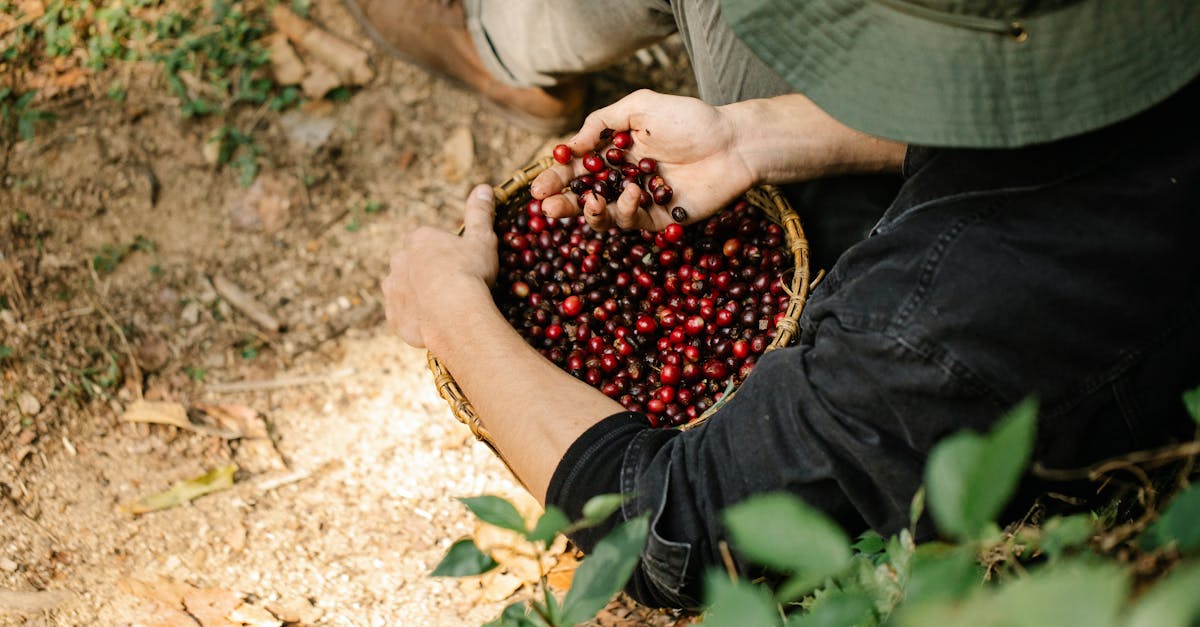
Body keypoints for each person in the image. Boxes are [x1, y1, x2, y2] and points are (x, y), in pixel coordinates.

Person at [377, 0, 1200, 609]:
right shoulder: (1117, 37)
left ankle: (494, 44)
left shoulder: (929, 321)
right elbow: (1063, 103)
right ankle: (507, 36)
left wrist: (454, 314)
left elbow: (670, 531)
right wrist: (758, 134)